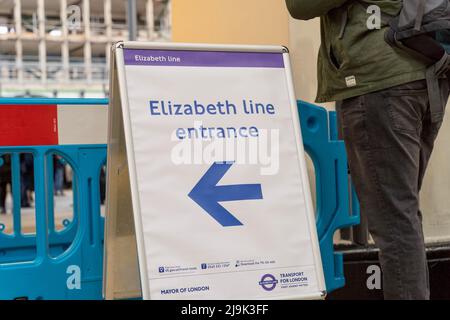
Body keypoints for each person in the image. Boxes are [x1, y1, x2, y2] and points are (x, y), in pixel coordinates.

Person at [286, 0, 450, 300]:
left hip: (381, 80)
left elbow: (300, 5)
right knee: (402, 215)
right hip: (425, 71)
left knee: (396, 224)